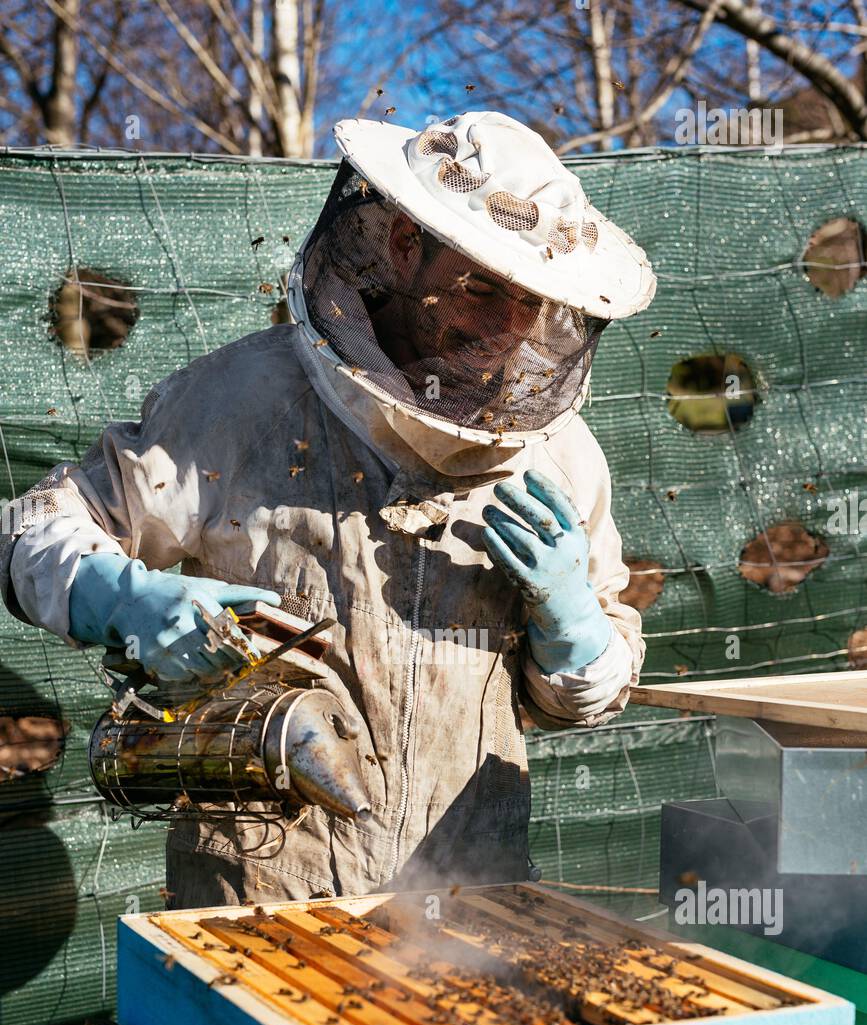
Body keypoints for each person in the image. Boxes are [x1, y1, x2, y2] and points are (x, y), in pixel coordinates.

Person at [0, 111, 656, 908]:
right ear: (405, 247)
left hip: (475, 897)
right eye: (479, 286)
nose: (502, 326)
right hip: (259, 890)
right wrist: (122, 599)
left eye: (530, 300)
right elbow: (29, 528)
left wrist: (576, 626)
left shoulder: (560, 454)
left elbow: (580, 696)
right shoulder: (240, 401)